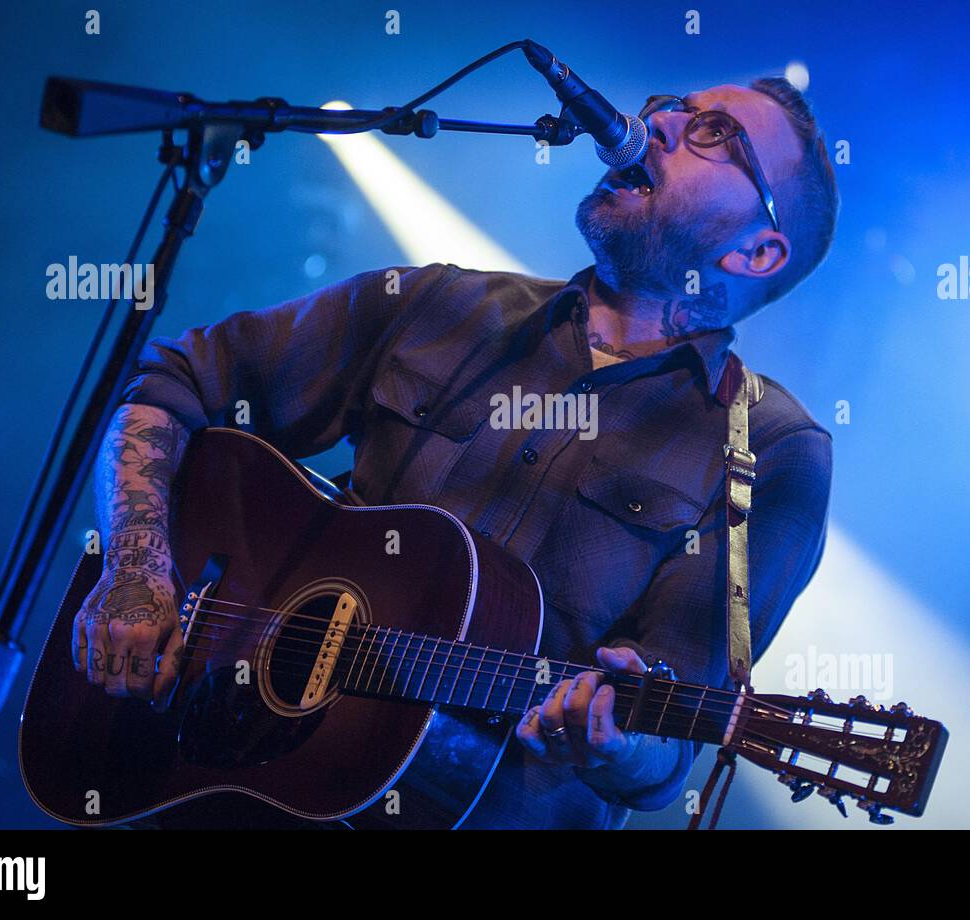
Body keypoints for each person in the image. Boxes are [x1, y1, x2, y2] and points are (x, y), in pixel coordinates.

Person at [72, 77, 839, 829]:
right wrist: (137, 567)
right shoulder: (439, 302)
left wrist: (616, 738)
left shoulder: (771, 450)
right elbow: (173, 379)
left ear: (758, 251)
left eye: (716, 133)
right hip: (220, 778)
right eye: (671, 107)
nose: (660, 124)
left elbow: (663, 752)